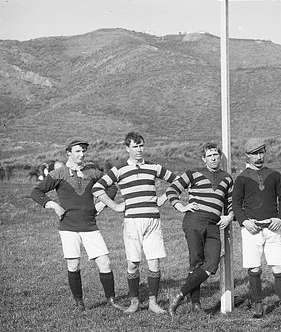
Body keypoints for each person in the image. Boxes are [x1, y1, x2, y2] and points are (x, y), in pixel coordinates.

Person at [93, 131, 178, 314]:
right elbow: (97, 187)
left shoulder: (154, 167)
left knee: (154, 262)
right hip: (132, 222)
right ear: (127, 148)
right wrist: (115, 206)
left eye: (141, 146)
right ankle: (134, 302)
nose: (139, 150)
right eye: (135, 146)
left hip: (153, 220)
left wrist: (165, 197)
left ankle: (153, 302)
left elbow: (178, 181)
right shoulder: (119, 169)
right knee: (133, 263)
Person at [30, 139, 119, 311]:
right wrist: (53, 205)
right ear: (68, 153)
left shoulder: (93, 172)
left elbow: (111, 187)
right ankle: (79, 302)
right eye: (78, 151)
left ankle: (111, 300)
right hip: (68, 227)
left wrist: (102, 203)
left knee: (105, 263)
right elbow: (36, 192)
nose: (82, 154)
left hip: (90, 225)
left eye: (84, 151)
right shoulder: (59, 173)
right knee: (73, 265)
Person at [165, 142, 234, 317]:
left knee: (211, 264)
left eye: (216, 155)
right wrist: (181, 207)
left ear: (220, 157)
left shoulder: (227, 178)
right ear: (204, 159)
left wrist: (230, 216)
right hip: (194, 220)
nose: (213, 158)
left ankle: (179, 295)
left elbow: (231, 203)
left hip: (214, 224)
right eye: (209, 155)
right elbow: (172, 190)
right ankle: (196, 304)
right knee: (195, 263)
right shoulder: (193, 173)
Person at [232, 138, 281, 318]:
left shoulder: (274, 175)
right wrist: (245, 222)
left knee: (279, 267)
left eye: (261, 152)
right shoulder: (242, 178)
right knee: (254, 268)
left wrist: (280, 218)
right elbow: (236, 204)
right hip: (251, 228)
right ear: (247, 155)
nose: (259, 157)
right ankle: (258, 306)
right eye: (254, 154)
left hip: (272, 227)